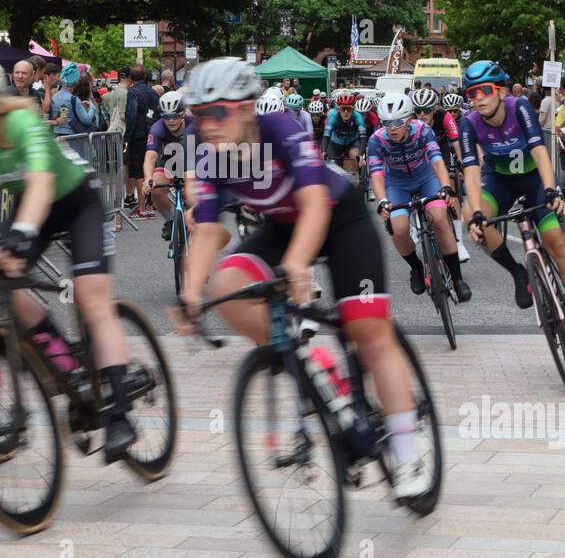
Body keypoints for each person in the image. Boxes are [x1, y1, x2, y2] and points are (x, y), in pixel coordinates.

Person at [175, 58, 432, 498]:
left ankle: (408, 453)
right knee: (227, 290)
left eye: (216, 112)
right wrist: (191, 293)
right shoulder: (205, 148)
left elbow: (314, 205)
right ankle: (317, 367)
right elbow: (209, 230)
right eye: (199, 115)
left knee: (368, 332)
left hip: (339, 219)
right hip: (281, 225)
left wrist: (297, 265)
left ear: (245, 108)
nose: (207, 126)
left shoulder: (280, 129)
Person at [0, 56, 141, 456]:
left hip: (76, 201)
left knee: (92, 299)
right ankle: (68, 367)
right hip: (29, 208)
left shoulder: (20, 122)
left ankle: (120, 414)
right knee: (4, 283)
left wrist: (21, 236)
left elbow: (41, 183)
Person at [459, 60, 565, 352]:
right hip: (499, 181)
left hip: (535, 180)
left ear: (501, 92)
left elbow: (539, 150)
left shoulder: (519, 107)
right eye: (472, 93)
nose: (479, 98)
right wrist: (476, 214)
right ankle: (517, 272)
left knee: (556, 242)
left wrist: (551, 190)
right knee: (470, 217)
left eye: (485, 90)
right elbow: (471, 170)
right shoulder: (469, 123)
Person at [369, 92, 470, 300]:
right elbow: (377, 175)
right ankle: (416, 267)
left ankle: (458, 279)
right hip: (397, 184)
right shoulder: (376, 140)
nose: (392, 128)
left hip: (426, 178)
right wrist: (382, 201)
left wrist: (445, 187)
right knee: (399, 229)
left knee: (440, 219)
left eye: (397, 122)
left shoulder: (422, 130)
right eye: (386, 123)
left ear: (409, 119)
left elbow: (437, 160)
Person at [143, 90, 195, 237]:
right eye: (166, 116)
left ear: (183, 113)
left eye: (175, 115)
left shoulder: (194, 124)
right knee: (156, 188)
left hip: (192, 159)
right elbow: (150, 156)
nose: (171, 120)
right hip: (169, 161)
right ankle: (171, 220)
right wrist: (148, 179)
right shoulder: (157, 128)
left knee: (193, 190)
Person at [124, 64, 160, 217]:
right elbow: (158, 114)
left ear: (131, 78)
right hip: (153, 134)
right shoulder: (153, 93)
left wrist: (127, 138)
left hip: (138, 136)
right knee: (150, 170)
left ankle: (142, 208)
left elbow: (131, 116)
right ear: (145, 77)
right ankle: (150, 205)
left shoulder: (132, 93)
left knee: (139, 173)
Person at [320, 91, 367, 173]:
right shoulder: (333, 116)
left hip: (352, 143)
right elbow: (326, 137)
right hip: (335, 143)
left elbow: (363, 138)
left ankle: (358, 180)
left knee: (355, 157)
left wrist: (360, 155)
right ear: (338, 109)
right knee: (334, 169)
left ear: (353, 110)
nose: (346, 112)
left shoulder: (358, 117)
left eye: (348, 109)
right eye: (343, 109)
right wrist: (323, 152)